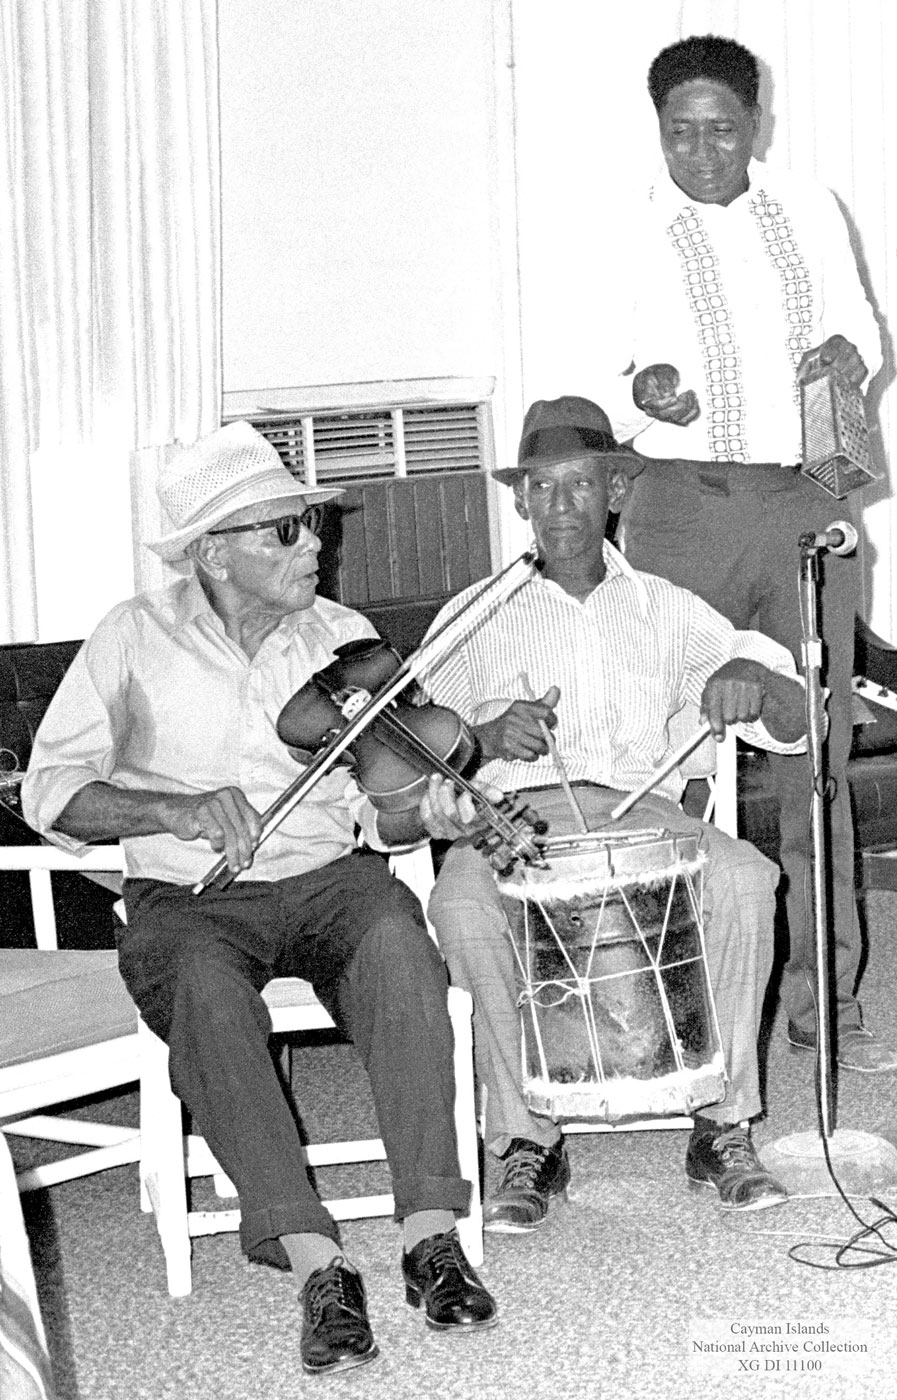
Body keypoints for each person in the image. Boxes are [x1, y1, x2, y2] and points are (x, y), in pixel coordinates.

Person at [21, 421, 497, 1378]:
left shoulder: (347, 643)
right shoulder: (130, 635)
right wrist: (173, 806)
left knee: (400, 948)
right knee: (199, 988)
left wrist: (430, 814)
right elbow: (50, 791)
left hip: (329, 880)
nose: (313, 543)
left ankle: (430, 1232)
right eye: (284, 531)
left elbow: (382, 815)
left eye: (311, 523)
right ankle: (318, 1263)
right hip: (192, 899)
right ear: (213, 553)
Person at [417, 394, 807, 1233]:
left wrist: (743, 680)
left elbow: (785, 701)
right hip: (514, 816)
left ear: (615, 494)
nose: (560, 505)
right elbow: (400, 748)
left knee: (746, 878)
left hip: (644, 813)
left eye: (580, 485)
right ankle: (525, 1139)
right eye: (541, 487)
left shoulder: (665, 607)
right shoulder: (472, 616)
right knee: (457, 902)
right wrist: (477, 738)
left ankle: (722, 1124)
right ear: (520, 500)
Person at [593, 33, 893, 1073]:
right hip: (679, 506)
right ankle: (662, 998)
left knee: (818, 752)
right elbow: (610, 350)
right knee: (664, 746)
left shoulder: (809, 207)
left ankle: (823, 995)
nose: (704, 149)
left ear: (756, 125)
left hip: (807, 497)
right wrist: (650, 386)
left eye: (724, 128)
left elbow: (862, 322)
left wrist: (849, 348)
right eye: (683, 131)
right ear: (659, 130)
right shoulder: (633, 225)